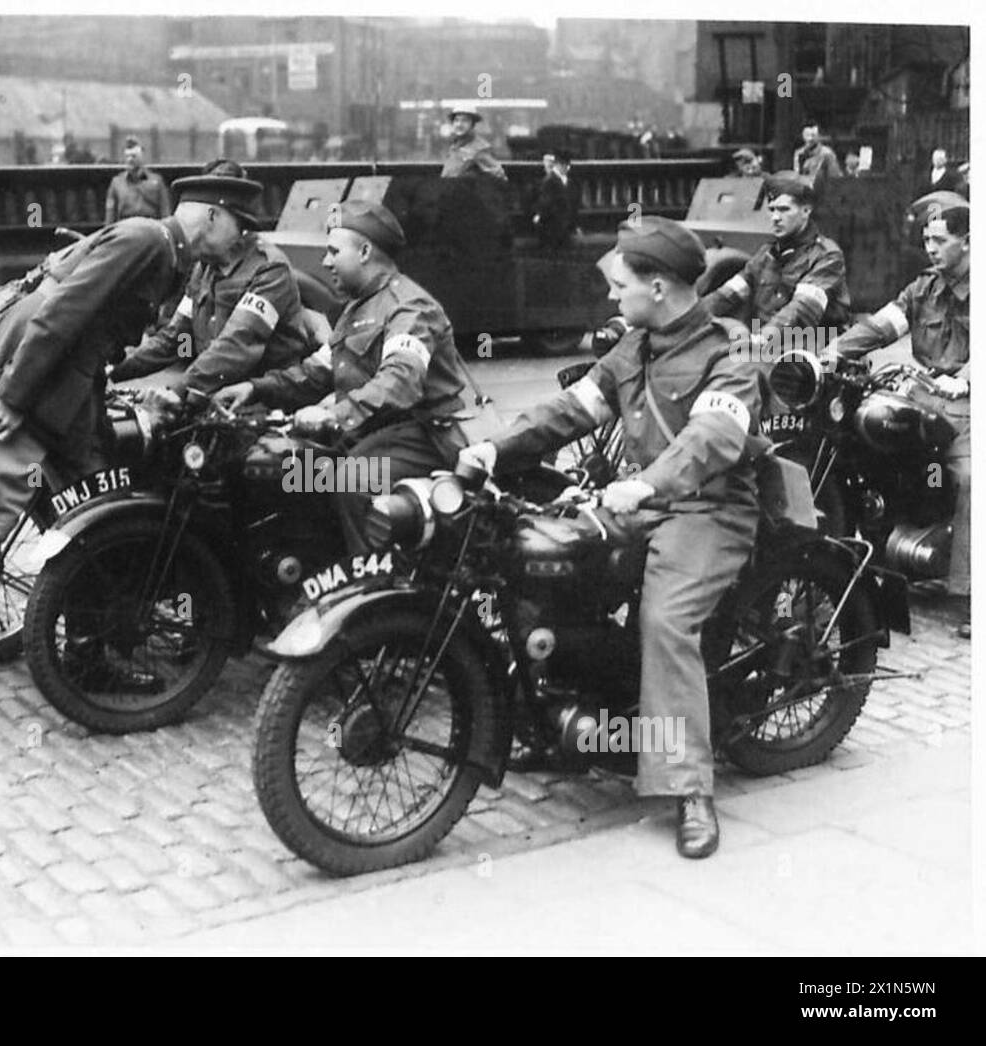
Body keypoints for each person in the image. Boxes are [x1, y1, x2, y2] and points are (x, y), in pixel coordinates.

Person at [0, 176, 282, 732]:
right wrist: (12, 397)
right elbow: (62, 313)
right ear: (214, 218)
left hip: (74, 394)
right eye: (239, 231)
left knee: (98, 516)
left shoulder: (169, 254)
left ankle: (86, 658)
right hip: (36, 387)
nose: (240, 244)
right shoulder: (147, 241)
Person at [457, 216, 763, 860]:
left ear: (658, 286)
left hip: (707, 509)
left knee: (665, 622)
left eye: (619, 284)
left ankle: (688, 790)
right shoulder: (635, 347)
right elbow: (571, 411)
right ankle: (561, 719)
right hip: (639, 500)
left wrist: (646, 486)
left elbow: (711, 441)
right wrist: (495, 446)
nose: (609, 295)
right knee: (547, 562)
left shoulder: (729, 352)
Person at [214, 200, 470, 552]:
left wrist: (333, 415)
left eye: (334, 251)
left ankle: (371, 585)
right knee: (287, 472)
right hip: (374, 433)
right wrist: (255, 389)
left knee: (349, 479)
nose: (325, 261)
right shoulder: (356, 308)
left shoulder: (408, 307)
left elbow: (400, 383)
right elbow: (318, 372)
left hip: (423, 438)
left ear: (365, 251)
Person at [822, 194, 970, 639]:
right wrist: (831, 352)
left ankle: (968, 594)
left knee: (969, 481)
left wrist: (965, 379)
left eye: (940, 240)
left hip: (969, 407)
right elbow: (882, 325)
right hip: (925, 398)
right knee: (865, 442)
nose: (930, 247)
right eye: (926, 238)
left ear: (969, 241)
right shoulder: (922, 288)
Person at [110, 173, 310, 396]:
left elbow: (237, 345)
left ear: (212, 217)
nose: (185, 239)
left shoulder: (268, 270)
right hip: (211, 393)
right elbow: (179, 340)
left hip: (260, 401)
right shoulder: (203, 269)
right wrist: (115, 372)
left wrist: (178, 389)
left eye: (189, 228)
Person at [703, 171, 850, 357]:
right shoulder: (766, 255)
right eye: (772, 209)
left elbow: (802, 310)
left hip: (816, 353)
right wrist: (686, 319)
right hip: (768, 349)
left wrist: (761, 339)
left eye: (784, 209)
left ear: (806, 210)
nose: (775, 217)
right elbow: (727, 295)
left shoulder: (827, 256)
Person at [105, 136, 172, 222]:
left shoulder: (157, 182)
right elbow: (110, 218)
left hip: (150, 228)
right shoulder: (117, 183)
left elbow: (165, 214)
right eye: (127, 156)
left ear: (142, 156)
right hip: (125, 229)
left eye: (134, 156)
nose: (130, 160)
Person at [440, 106, 507, 181]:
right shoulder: (455, 146)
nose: (459, 124)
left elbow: (499, 175)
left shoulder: (479, 148)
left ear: (472, 124)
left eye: (464, 121)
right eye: (456, 120)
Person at [532, 152, 579, 250]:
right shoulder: (549, 180)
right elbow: (545, 202)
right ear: (558, 165)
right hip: (553, 225)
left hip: (564, 224)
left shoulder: (567, 180)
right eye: (564, 165)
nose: (567, 168)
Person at [793, 122, 842, 195]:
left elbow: (835, 178)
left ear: (818, 136)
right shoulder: (798, 153)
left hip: (822, 194)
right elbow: (796, 175)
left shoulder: (827, 154)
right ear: (803, 136)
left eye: (813, 135)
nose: (810, 139)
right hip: (803, 194)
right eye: (807, 135)